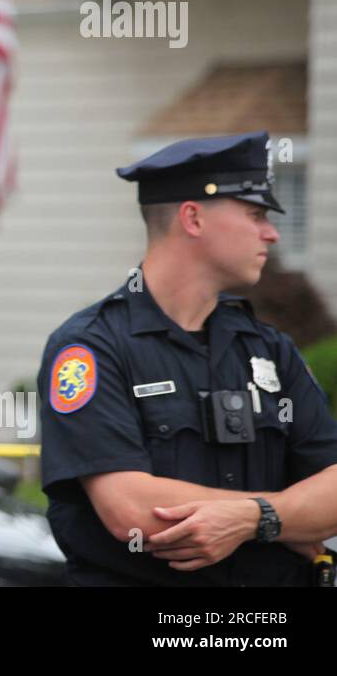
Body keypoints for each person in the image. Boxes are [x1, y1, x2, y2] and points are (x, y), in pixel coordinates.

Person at [37, 131, 337, 586]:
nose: (271, 233)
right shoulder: (91, 349)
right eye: (255, 214)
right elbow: (133, 511)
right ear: (193, 218)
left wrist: (254, 519)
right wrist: (286, 516)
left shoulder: (270, 349)